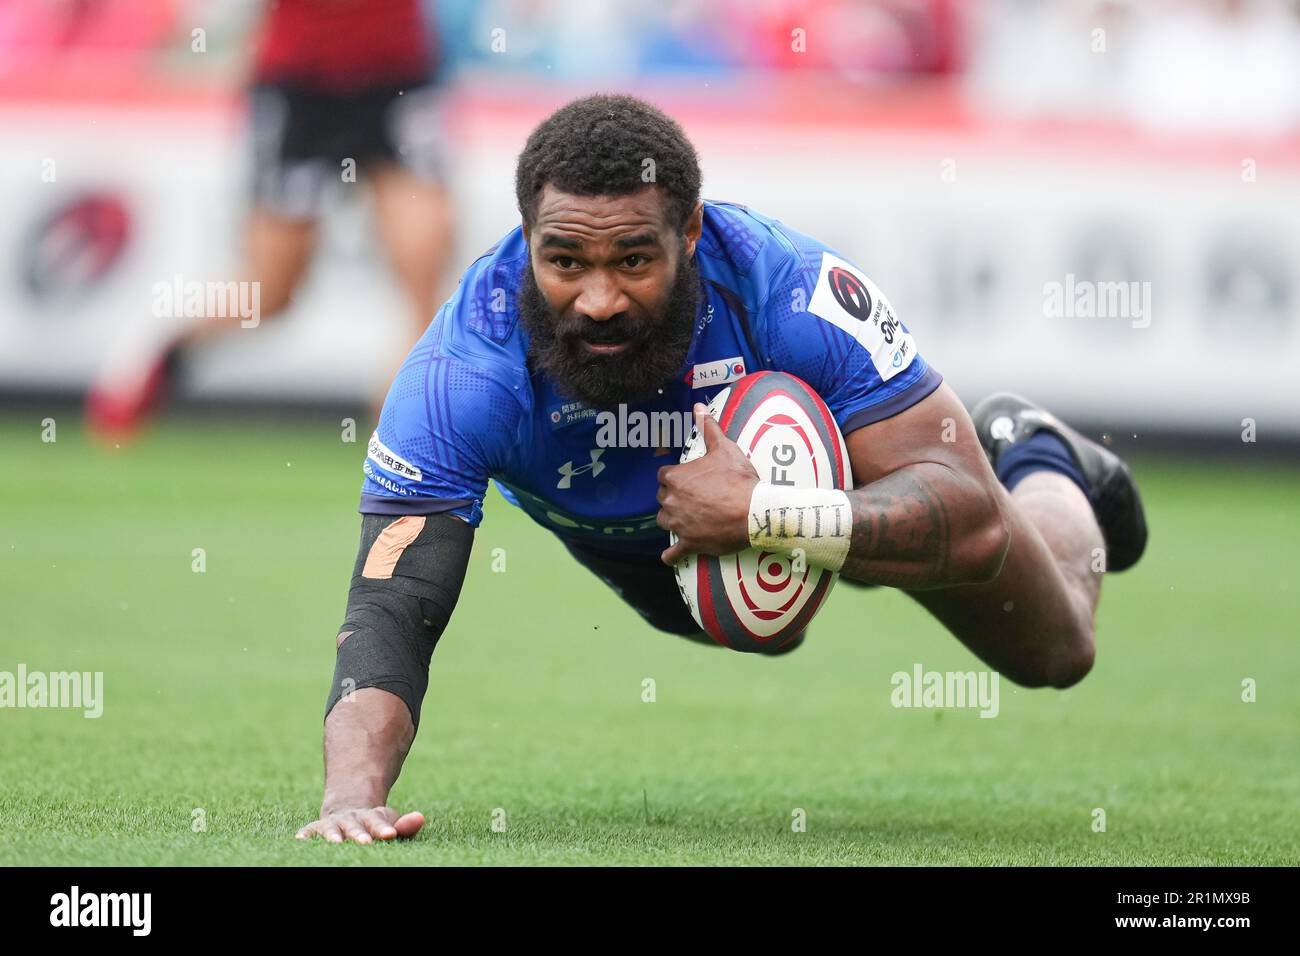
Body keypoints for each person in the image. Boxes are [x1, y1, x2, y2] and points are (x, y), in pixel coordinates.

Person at [295, 94, 1147, 844]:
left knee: (1059, 650)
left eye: (634, 259)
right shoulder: (462, 370)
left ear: (691, 233)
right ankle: (821, 528)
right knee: (762, 627)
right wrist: (351, 797)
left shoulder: (791, 291)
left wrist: (769, 514)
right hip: (650, 555)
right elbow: (394, 606)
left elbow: (974, 522)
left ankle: (1036, 450)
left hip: (797, 489)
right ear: (528, 240)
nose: (598, 299)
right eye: (565, 263)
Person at [87, 0, 454, 437]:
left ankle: (404, 445)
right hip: (301, 86)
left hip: (397, 80)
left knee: (424, 274)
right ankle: (164, 349)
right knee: (269, 292)